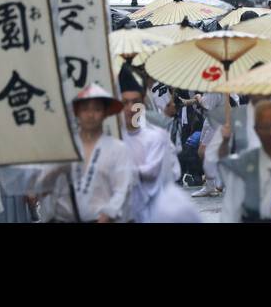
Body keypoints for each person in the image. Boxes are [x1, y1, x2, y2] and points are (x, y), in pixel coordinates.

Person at [35, 84, 134, 223]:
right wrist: (58, 171)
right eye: (85, 109)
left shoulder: (118, 149)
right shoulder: (64, 147)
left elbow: (123, 189)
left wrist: (108, 214)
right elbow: (41, 187)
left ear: (105, 113)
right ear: (77, 112)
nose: (91, 114)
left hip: (100, 219)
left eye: (97, 109)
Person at [118, 66, 178, 223]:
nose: (131, 108)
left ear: (143, 101)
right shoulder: (113, 137)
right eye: (125, 102)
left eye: (135, 102)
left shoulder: (157, 136)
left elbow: (172, 172)